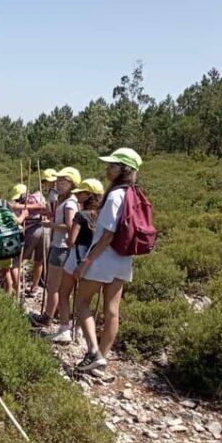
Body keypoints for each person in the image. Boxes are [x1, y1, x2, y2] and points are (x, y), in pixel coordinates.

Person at [73, 148, 143, 373]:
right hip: (124, 259)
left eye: (112, 165)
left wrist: (86, 262)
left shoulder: (115, 195)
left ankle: (94, 352)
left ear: (123, 169)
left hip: (104, 258)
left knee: (81, 302)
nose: (107, 169)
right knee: (112, 310)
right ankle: (101, 360)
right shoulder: (136, 193)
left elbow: (108, 234)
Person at [49, 178, 104, 343]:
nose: (77, 195)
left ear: (88, 195)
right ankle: (80, 331)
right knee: (84, 300)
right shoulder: (101, 215)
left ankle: (64, 329)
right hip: (94, 259)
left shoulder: (81, 215)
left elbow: (71, 241)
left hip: (76, 257)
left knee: (64, 293)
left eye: (80, 193)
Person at [33, 167, 81, 327]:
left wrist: (51, 224)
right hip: (60, 245)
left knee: (53, 286)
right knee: (56, 286)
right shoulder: (65, 200)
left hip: (62, 247)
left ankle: (47, 317)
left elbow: (69, 225)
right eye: (58, 180)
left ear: (72, 183)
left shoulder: (70, 203)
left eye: (63, 181)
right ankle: (56, 315)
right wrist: (51, 215)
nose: (59, 184)